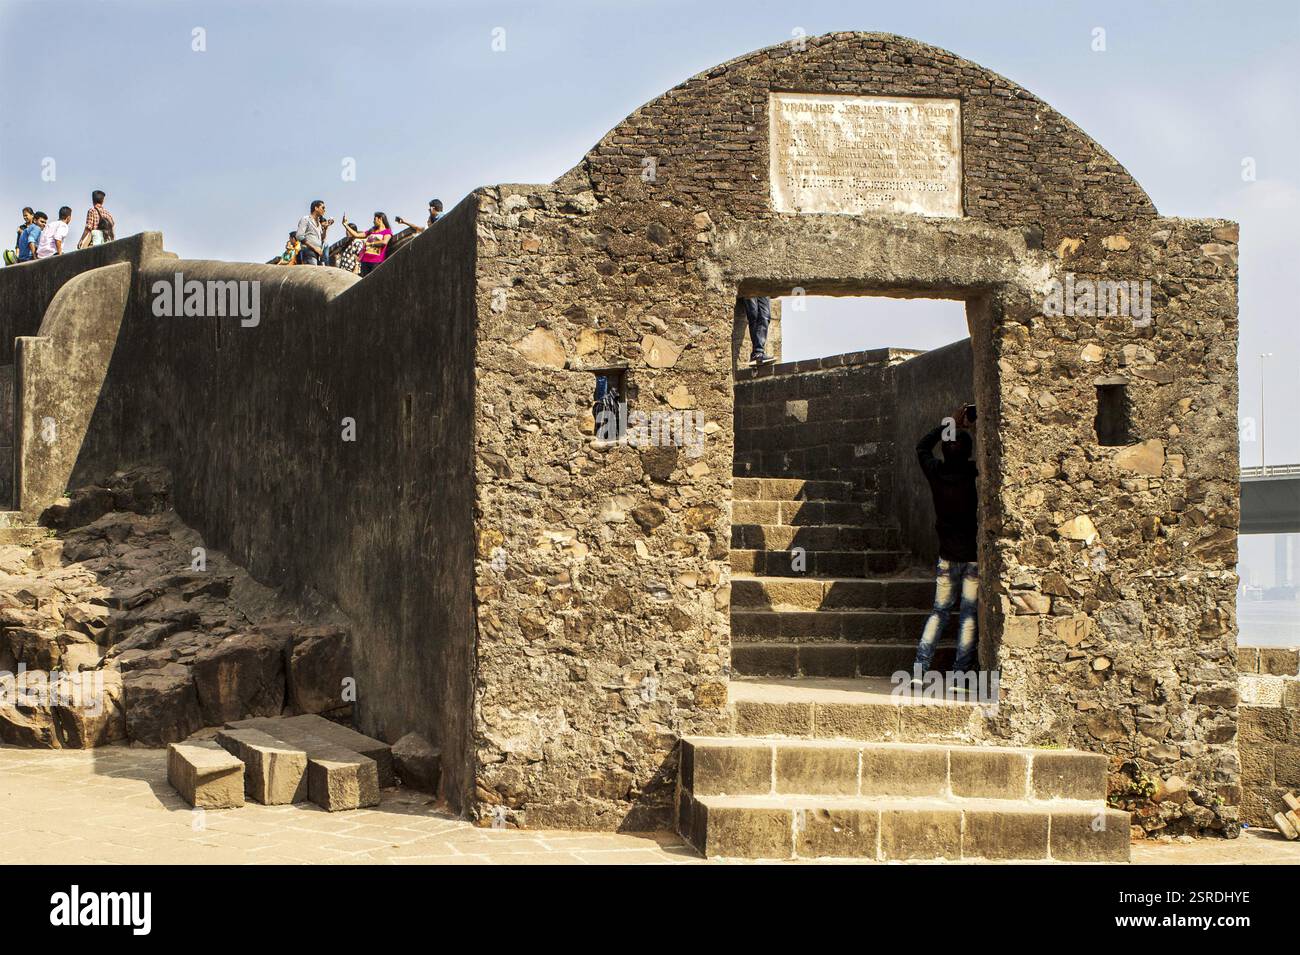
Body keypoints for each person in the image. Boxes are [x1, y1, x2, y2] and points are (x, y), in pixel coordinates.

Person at [911, 405, 979, 686]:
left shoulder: (936, 473)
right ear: (968, 452)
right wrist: (973, 428)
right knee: (968, 617)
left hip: (946, 557)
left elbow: (922, 447)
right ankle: (959, 675)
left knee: (938, 613)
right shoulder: (974, 473)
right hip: (973, 558)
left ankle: (918, 671)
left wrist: (948, 424)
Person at [342, 212, 392, 277]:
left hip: (376, 261)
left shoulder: (387, 231)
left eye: (375, 219)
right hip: (365, 261)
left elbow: (384, 242)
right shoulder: (372, 230)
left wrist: (371, 244)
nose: (373, 221)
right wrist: (345, 225)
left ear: (380, 219)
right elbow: (356, 235)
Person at [738, 296, 775, 365]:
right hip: (749, 286)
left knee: (765, 317)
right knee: (753, 315)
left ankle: (758, 352)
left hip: (764, 288)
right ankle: (757, 353)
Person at [295, 200, 333, 265]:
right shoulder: (306, 219)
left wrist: (326, 229)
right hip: (309, 252)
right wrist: (315, 248)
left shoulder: (319, 223)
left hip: (318, 253)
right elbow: (299, 236)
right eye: (323, 208)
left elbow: (322, 239)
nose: (324, 210)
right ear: (316, 208)